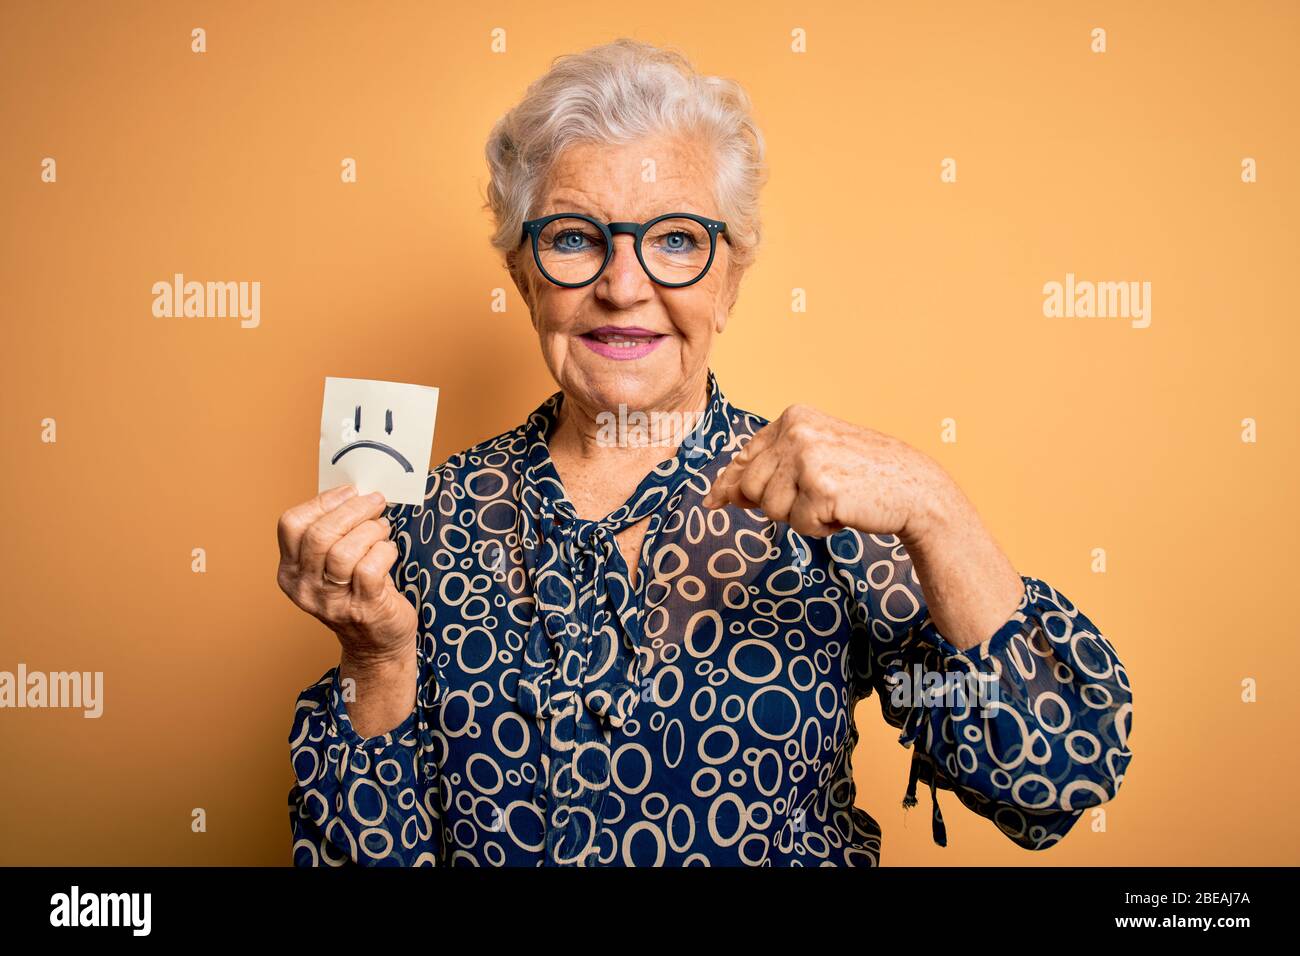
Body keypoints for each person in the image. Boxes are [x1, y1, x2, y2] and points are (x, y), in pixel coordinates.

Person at [278, 38, 1133, 866]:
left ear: (731, 279)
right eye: (575, 238)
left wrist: (937, 506)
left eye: (677, 239)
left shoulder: (831, 505)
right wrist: (377, 659)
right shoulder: (422, 523)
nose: (622, 284)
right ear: (523, 276)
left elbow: (1059, 779)